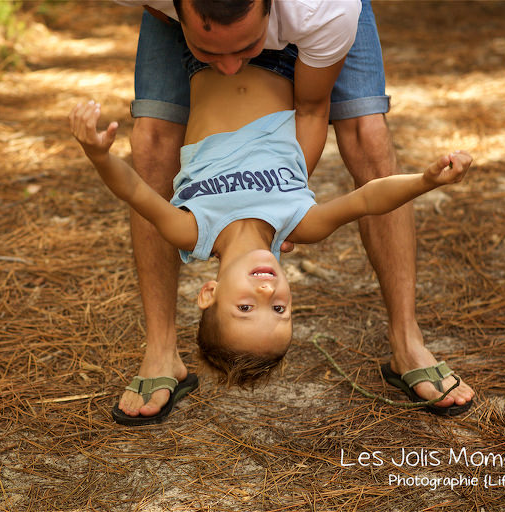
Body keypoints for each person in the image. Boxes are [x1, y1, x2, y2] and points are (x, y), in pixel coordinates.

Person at [113, 0, 476, 421]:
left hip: (303, 33)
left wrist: (289, 181)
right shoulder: (300, 224)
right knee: (151, 142)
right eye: (279, 308)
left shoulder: (322, 8)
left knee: (368, 134)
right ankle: (160, 349)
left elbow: (312, 107)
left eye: (247, 307)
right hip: (235, 61)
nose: (230, 66)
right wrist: (289, 192)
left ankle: (407, 339)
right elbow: (363, 199)